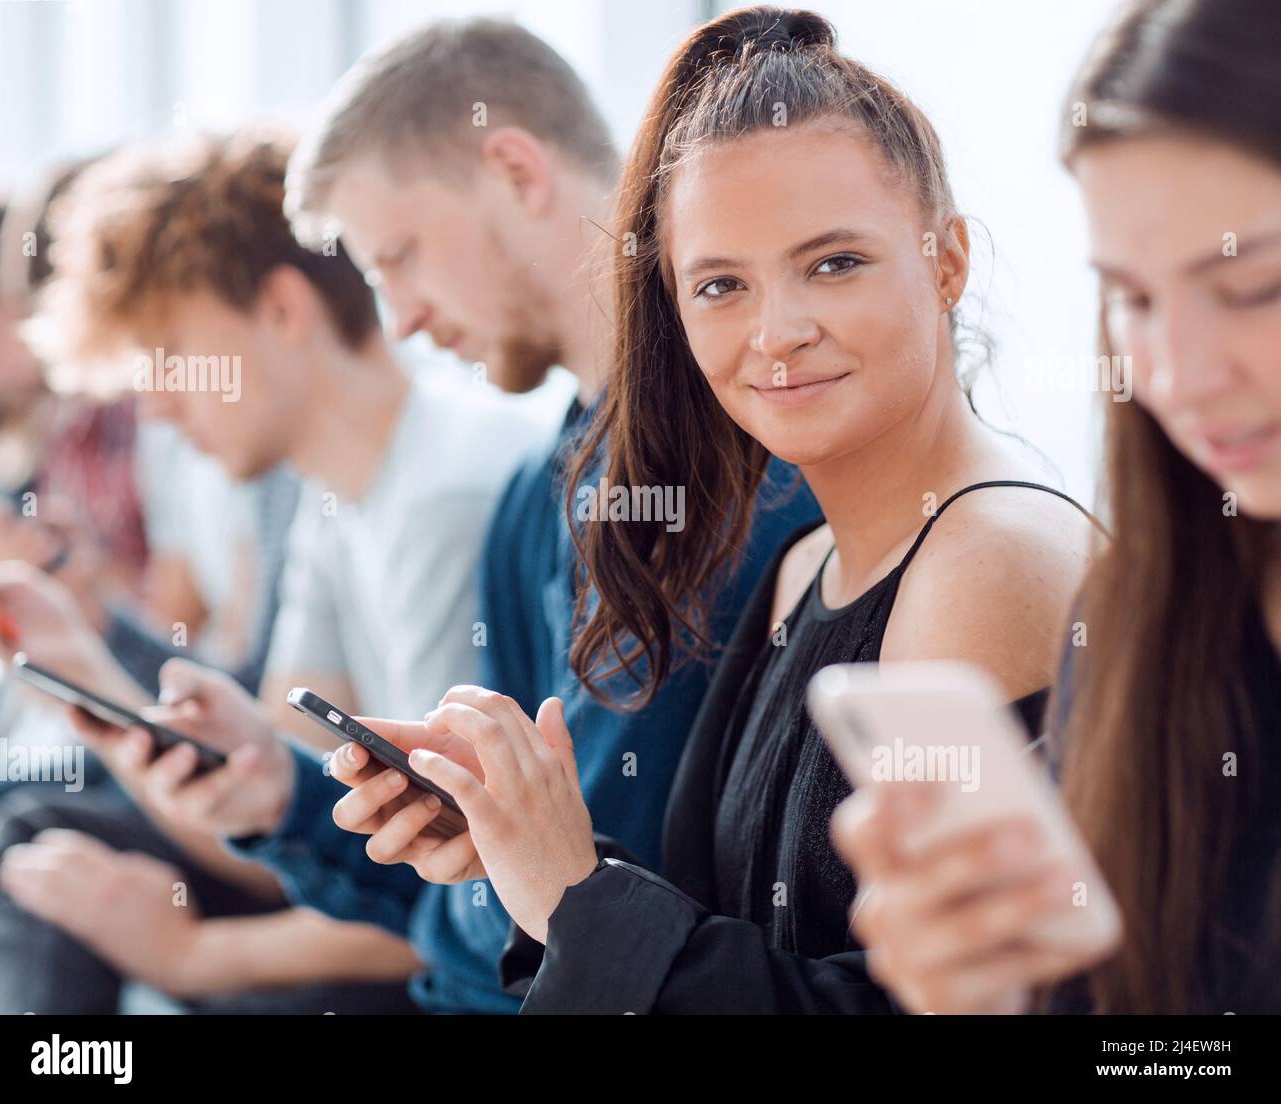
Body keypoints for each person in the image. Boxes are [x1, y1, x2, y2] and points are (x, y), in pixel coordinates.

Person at [316, 7, 1097, 1014]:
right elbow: (723, 926)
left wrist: (577, 899)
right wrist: (526, 858)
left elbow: (911, 1010)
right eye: (720, 285)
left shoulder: (989, 559)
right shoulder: (803, 563)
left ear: (945, 260)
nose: (777, 333)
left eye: (834, 264)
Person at [126, 16, 821, 1015]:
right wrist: (285, 798)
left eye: (400, 255)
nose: (399, 316)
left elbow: (572, 900)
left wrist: (472, 874)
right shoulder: (537, 492)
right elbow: (491, 875)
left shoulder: (696, 474)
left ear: (515, 170)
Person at [0, 127, 556, 1013]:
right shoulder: (340, 499)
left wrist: (192, 956)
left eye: (169, 359)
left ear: (284, 310)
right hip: (416, 920)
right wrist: (83, 672)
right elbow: (280, 815)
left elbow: (463, 895)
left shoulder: (444, 503)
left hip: (477, 962)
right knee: (31, 848)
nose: (160, 410)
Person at [834, 0, 1281, 1016]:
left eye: (1252, 287)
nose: (1178, 375)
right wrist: (992, 992)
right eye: (1133, 298)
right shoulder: (1139, 617)